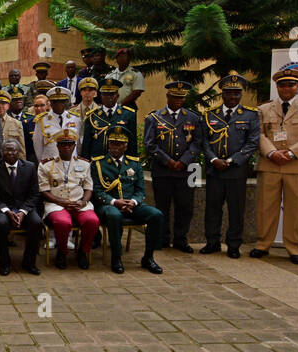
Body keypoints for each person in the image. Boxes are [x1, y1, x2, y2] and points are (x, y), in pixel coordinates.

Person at [253, 67, 298, 265]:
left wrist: (291, 153)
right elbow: (258, 135)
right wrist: (272, 153)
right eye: (282, 85)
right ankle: (262, 244)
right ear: (276, 87)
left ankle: (294, 248)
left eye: (290, 84)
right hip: (269, 164)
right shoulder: (264, 109)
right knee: (265, 208)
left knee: (295, 209)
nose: (286, 88)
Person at [200, 72, 261, 258]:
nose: (232, 97)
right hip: (214, 169)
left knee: (236, 209)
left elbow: (252, 142)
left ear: (240, 95)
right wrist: (213, 159)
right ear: (222, 94)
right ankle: (212, 242)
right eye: (228, 93)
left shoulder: (251, 115)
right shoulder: (210, 115)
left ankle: (233, 245)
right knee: (212, 208)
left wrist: (232, 160)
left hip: (236, 170)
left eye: (236, 93)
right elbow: (203, 141)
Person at [91, 128, 164, 274]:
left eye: (119, 144)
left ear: (126, 146)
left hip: (132, 205)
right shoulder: (98, 164)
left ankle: (148, 257)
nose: (115, 147)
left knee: (156, 214)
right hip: (108, 205)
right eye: (112, 144)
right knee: (114, 215)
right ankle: (116, 258)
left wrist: (133, 202)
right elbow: (96, 191)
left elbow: (140, 190)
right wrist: (115, 202)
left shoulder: (134, 164)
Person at [143, 80, 202, 252]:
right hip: (163, 169)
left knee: (186, 206)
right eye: (175, 97)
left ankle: (181, 239)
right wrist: (167, 160)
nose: (178, 101)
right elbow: (149, 143)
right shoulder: (155, 117)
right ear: (168, 96)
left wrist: (184, 160)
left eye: (181, 98)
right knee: (162, 206)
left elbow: (197, 142)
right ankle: (162, 239)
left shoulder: (192, 117)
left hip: (188, 170)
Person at [39, 129, 98, 270]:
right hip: (56, 204)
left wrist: (83, 201)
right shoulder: (46, 165)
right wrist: (61, 202)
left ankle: (83, 252)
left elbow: (89, 187)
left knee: (93, 221)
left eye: (70, 144)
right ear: (57, 146)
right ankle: (62, 252)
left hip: (79, 203)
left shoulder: (84, 164)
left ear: (74, 146)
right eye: (63, 144)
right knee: (62, 222)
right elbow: (44, 190)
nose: (67, 147)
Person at [0, 139, 42, 275]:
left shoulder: (30, 167)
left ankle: (29, 262)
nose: (10, 153)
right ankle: (5, 263)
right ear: (1, 152)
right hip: (3, 209)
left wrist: (23, 211)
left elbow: (34, 194)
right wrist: (6, 210)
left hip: (24, 208)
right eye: (7, 150)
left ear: (19, 152)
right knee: (0, 223)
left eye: (13, 150)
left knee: (36, 223)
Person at [80, 77, 135, 162]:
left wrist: (132, 164)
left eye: (111, 94)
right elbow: (86, 144)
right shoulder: (92, 116)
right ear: (100, 96)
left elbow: (132, 143)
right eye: (105, 94)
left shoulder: (128, 114)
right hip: (97, 163)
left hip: (120, 162)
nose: (108, 97)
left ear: (117, 96)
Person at [33, 86, 80, 162]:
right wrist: (43, 163)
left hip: (71, 163)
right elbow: (38, 146)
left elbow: (79, 144)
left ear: (66, 102)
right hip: (50, 164)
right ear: (50, 103)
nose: (58, 104)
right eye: (55, 101)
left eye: (62, 101)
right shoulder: (41, 120)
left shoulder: (75, 118)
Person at [0, 90, 26, 157]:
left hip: (11, 160)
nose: (0, 106)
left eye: (3, 103)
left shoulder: (17, 124)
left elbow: (21, 149)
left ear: (8, 106)